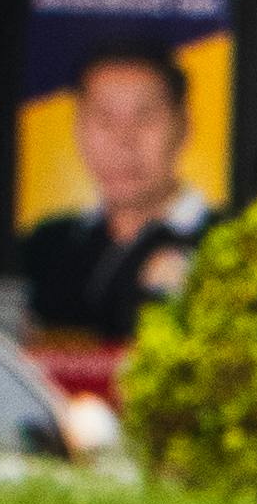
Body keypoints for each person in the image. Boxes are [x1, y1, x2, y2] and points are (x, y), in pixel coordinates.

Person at [19, 45, 211, 353]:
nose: (124, 140)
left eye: (144, 117)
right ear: (79, 129)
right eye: (105, 120)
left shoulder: (219, 240)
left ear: (183, 125)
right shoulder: (47, 242)